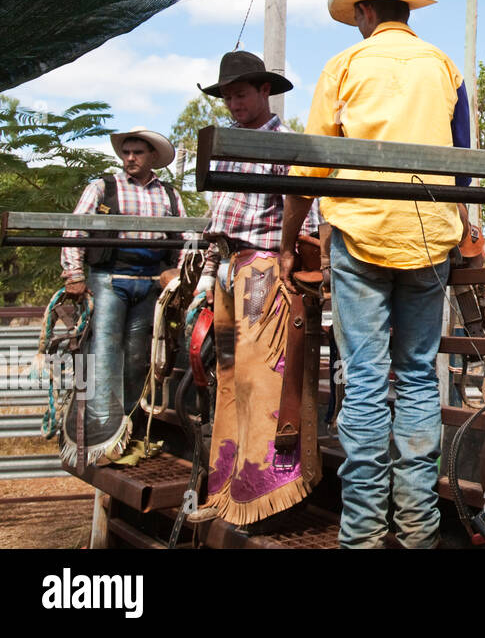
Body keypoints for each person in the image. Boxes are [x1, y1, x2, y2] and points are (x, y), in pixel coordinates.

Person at [279, 0, 470, 549]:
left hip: (361, 231)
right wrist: (462, 227)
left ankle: (361, 534)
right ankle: (418, 529)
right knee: (416, 376)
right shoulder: (444, 66)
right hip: (430, 234)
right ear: (405, 13)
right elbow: (464, 158)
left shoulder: (345, 65)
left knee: (364, 378)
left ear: (365, 13)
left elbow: (312, 161)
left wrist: (289, 242)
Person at [193, 50, 321, 525]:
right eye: (227, 95)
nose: (233, 103)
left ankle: (269, 496)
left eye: (241, 93)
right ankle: (228, 491)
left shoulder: (285, 145)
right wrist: (208, 274)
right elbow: (218, 221)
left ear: (265, 90)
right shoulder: (228, 143)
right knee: (230, 382)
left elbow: (308, 212)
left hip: (266, 269)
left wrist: (293, 271)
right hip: (229, 270)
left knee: (263, 381)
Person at [60, 126, 191, 466]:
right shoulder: (102, 187)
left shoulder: (170, 195)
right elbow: (75, 228)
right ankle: (99, 441)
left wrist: (178, 273)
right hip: (109, 277)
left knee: (138, 358)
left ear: (152, 158)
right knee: (103, 353)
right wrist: (74, 275)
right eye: (127, 152)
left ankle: (126, 433)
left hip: (150, 281)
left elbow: (187, 238)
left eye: (138, 152)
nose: (130, 158)